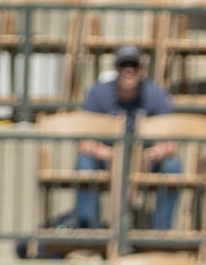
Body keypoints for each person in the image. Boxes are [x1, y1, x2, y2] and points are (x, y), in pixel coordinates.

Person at [75, 44, 181, 233]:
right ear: (116, 68)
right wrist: (110, 154)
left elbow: (171, 143)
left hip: (146, 161)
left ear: (142, 69)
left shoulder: (155, 93)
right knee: (84, 162)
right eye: (124, 65)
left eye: (134, 65)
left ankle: (161, 234)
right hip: (106, 159)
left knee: (173, 166)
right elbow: (83, 142)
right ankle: (87, 231)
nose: (129, 70)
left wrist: (153, 153)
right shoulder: (98, 93)